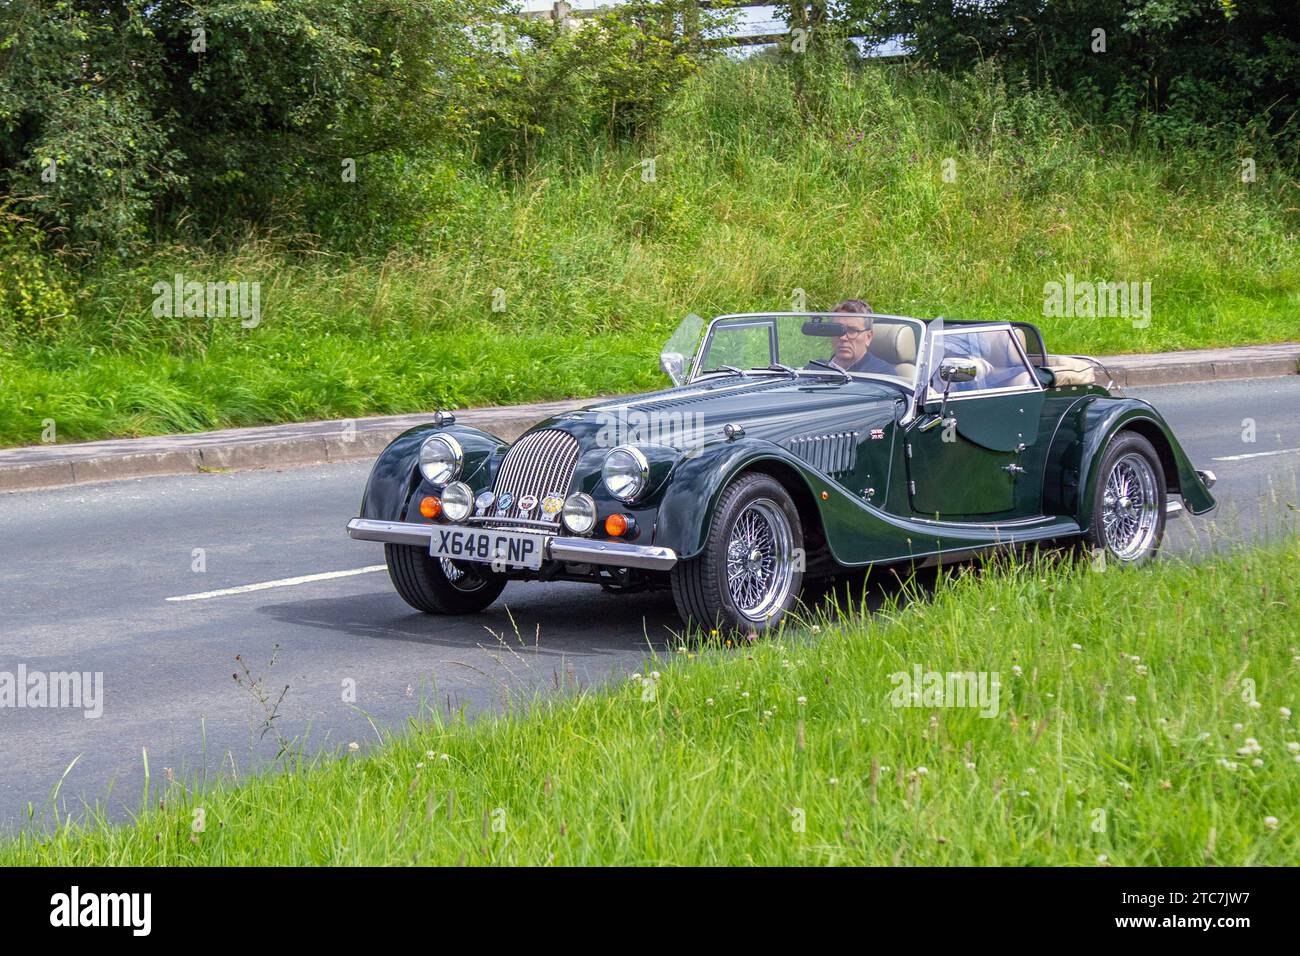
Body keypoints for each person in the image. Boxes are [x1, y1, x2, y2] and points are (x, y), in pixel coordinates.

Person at [825, 299, 895, 375]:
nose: (843, 338)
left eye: (852, 331)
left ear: (868, 337)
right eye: (838, 329)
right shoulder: (817, 368)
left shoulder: (881, 374)